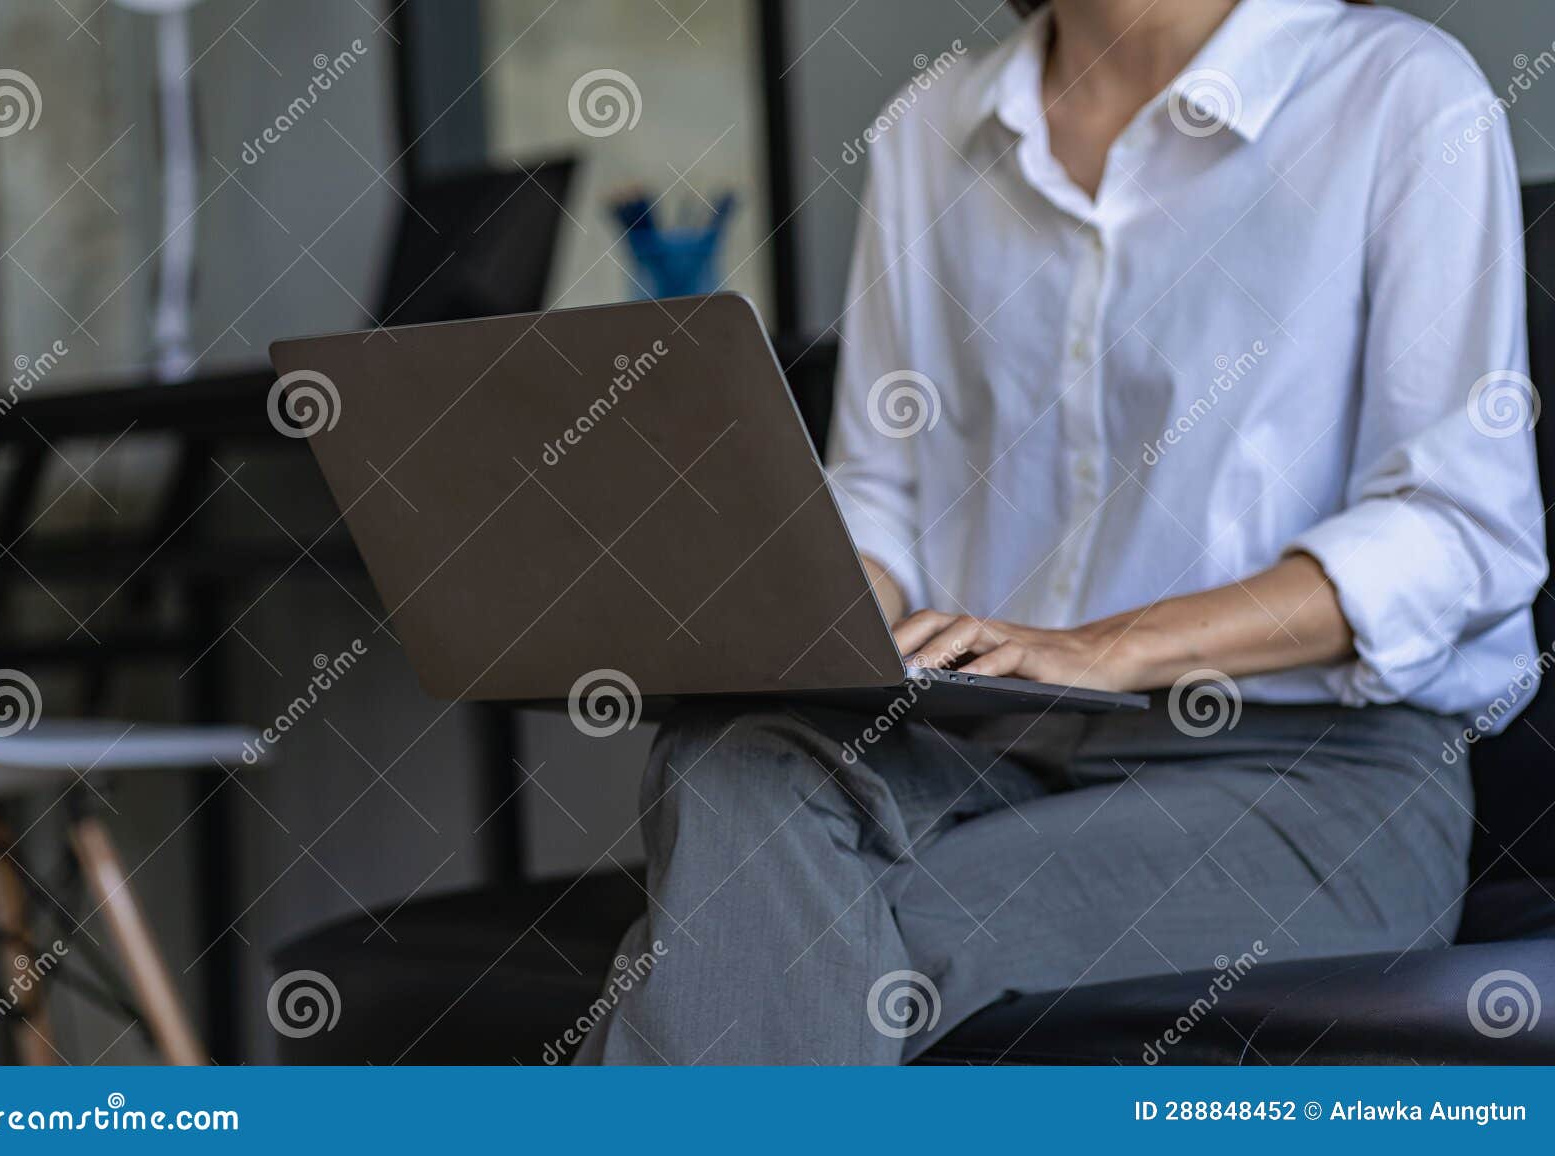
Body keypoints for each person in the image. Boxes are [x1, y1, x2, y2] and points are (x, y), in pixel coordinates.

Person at [577, 0, 1544, 1064]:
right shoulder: (932, 123)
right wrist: (796, 620)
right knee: (734, 751)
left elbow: (1461, 529)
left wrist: (1110, 646)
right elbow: (887, 490)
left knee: (780, 949)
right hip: (986, 736)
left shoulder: (1399, 93)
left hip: (1310, 778)